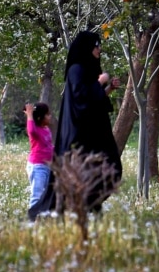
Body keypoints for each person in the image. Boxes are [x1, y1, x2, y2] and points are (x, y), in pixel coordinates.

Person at [27, 30, 123, 220]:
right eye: (96, 45)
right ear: (87, 47)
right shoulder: (76, 69)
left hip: (94, 132)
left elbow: (93, 99)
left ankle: (87, 206)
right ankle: (79, 208)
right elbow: (81, 99)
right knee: (85, 171)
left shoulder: (87, 69)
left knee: (111, 166)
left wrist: (108, 88)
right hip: (81, 135)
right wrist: (99, 82)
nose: (99, 49)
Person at [24, 102, 53, 210]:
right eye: (48, 114)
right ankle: (33, 218)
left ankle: (43, 216)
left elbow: (48, 146)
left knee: (46, 193)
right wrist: (29, 114)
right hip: (37, 167)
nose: (50, 116)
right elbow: (31, 130)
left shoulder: (46, 130)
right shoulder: (35, 131)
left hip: (47, 166)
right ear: (40, 117)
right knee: (37, 194)